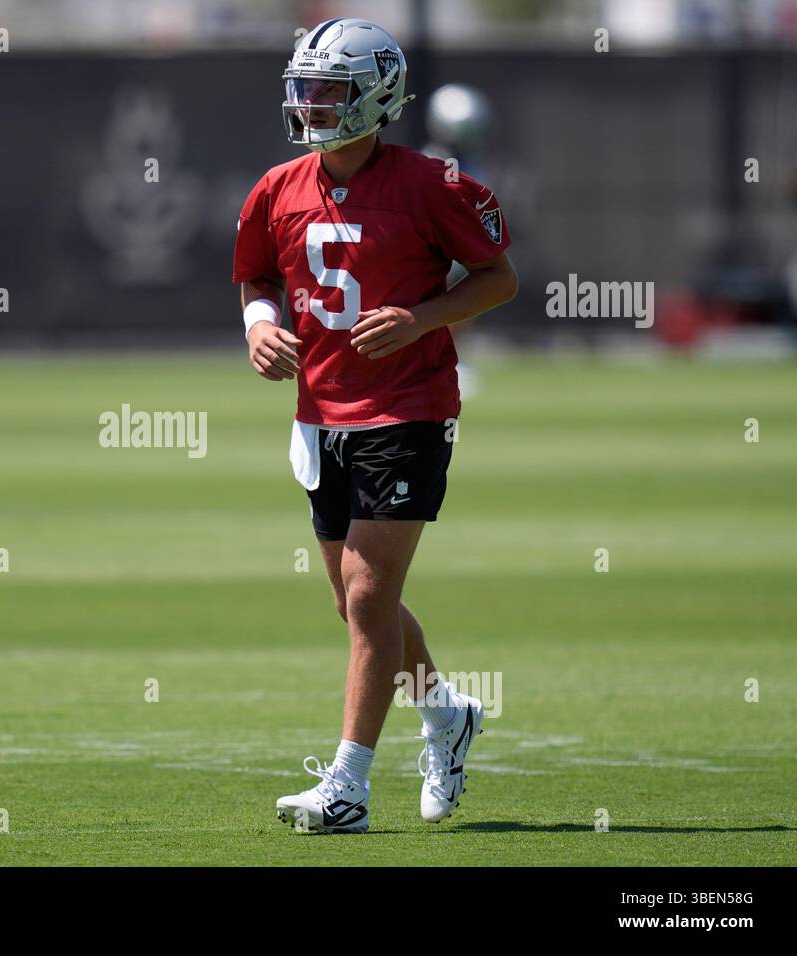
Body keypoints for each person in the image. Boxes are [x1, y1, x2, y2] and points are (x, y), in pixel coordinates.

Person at [232, 18, 518, 833]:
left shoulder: (430, 184)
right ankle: (446, 715)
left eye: (328, 91)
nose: (311, 106)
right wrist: (258, 325)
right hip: (320, 410)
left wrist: (422, 319)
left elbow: (498, 277)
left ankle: (349, 787)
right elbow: (255, 274)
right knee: (358, 605)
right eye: (304, 89)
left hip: (407, 407)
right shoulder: (278, 187)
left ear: (377, 97)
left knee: (367, 595)